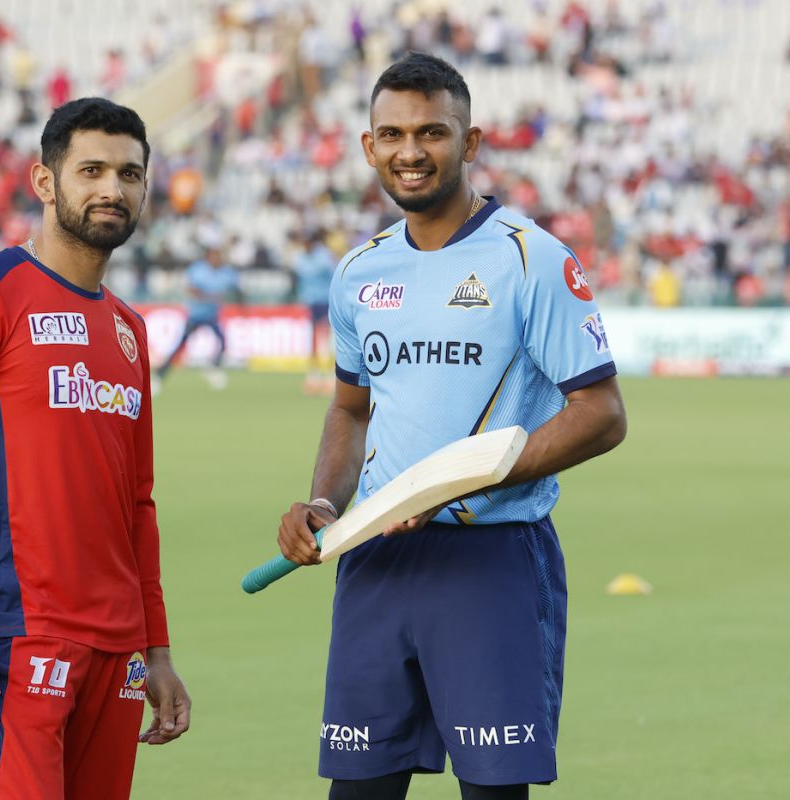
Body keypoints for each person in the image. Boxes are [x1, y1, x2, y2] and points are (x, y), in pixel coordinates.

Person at [276, 53, 626, 800]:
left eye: (433, 132)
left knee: (493, 792)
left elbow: (601, 416)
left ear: (470, 144)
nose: (411, 151)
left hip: (491, 561)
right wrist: (325, 505)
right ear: (368, 147)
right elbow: (349, 408)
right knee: (358, 790)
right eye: (392, 134)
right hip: (374, 559)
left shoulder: (531, 259)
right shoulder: (359, 273)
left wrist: (458, 482)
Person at [0, 98, 190, 800]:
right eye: (91, 170)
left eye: (129, 173)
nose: (112, 189)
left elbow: (137, 502)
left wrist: (159, 649)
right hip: (22, 636)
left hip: (120, 649)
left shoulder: (129, 330)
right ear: (45, 182)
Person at [155, 242, 239, 390]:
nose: (217, 259)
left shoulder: (226, 272)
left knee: (223, 342)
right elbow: (191, 289)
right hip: (196, 315)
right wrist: (210, 297)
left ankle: (212, 367)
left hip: (212, 315)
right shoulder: (198, 269)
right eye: (214, 256)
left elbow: (235, 289)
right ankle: (159, 375)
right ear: (208, 257)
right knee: (180, 346)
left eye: (218, 256)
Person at [293, 229, 338, 393]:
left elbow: (335, 275)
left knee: (327, 338)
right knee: (312, 337)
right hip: (311, 301)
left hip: (326, 300)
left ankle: (329, 374)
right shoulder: (300, 257)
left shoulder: (324, 256)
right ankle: (314, 374)